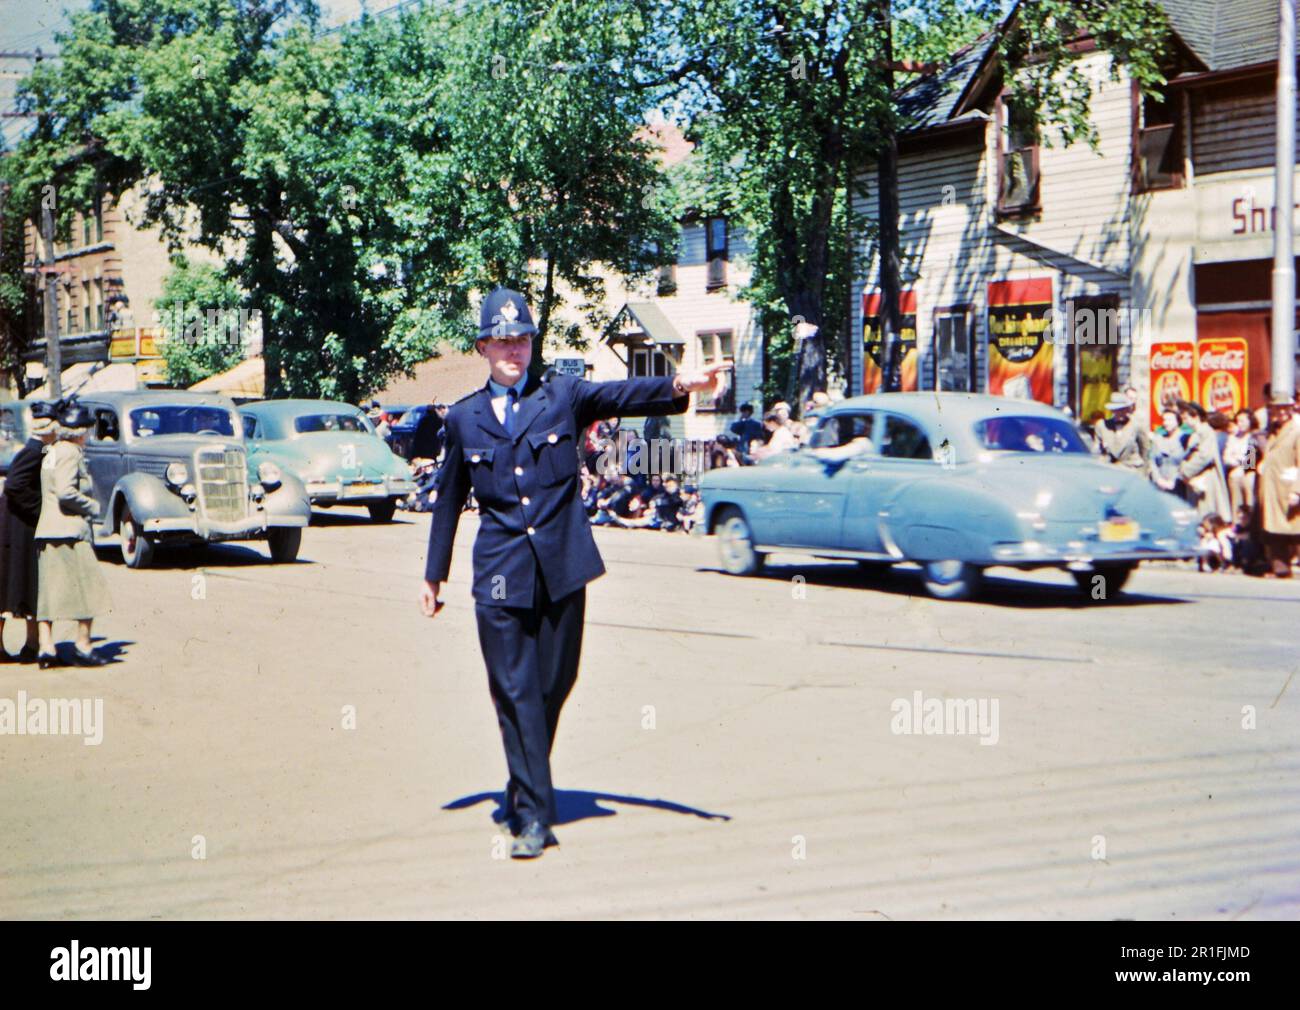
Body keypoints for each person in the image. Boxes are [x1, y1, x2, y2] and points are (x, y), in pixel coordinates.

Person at [418, 287, 728, 859]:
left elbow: (621, 393)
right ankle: (535, 817)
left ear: (532, 344)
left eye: (523, 339)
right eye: (503, 340)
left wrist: (683, 385)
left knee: (552, 686)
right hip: (501, 574)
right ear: (483, 347)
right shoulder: (463, 418)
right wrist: (433, 574)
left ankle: (522, 785)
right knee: (514, 691)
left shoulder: (561, 395)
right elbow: (448, 498)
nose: (514, 349)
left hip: (562, 565)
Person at [34, 403, 111, 667]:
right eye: (87, 431)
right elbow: (66, 492)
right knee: (89, 589)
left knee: (49, 591)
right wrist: (93, 507)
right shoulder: (71, 453)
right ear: (80, 432)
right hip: (69, 530)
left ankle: (46, 647)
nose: (89, 436)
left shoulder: (53, 451)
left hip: (49, 530)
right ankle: (83, 645)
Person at [0, 401, 59, 662]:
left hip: (21, 527)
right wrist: (40, 509)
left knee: (27, 586)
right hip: (17, 528)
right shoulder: (34, 451)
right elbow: (14, 485)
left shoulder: (38, 449)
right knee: (11, 587)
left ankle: (31, 645)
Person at [1256, 396, 1300, 578]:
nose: (1281, 413)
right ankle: (1279, 567)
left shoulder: (1296, 432)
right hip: (1268, 487)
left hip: (1286, 486)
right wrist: (1246, 469)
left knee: (1294, 528)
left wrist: (1297, 490)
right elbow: (1247, 462)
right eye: (1277, 409)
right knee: (1272, 530)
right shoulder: (1264, 433)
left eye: (1285, 409)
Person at [1176, 400, 1231, 522]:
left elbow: (1204, 456)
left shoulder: (1206, 431)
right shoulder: (1195, 434)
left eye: (1186, 418)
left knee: (1207, 513)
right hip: (1196, 478)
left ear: (1196, 417)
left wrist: (1185, 470)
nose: (1184, 422)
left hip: (1206, 477)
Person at [1094, 394, 1150, 471]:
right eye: (1117, 410)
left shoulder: (1136, 425)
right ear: (1112, 410)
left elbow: (1144, 450)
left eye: (1123, 409)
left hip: (1131, 470)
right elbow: (1096, 451)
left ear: (1127, 409)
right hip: (1108, 470)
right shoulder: (1102, 426)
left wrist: (1143, 471)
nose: (1120, 413)